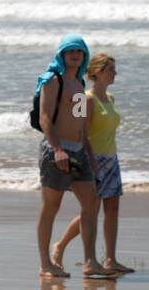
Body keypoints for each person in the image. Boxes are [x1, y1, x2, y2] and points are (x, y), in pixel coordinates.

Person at [34, 35, 114, 279]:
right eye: (70, 51)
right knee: (51, 207)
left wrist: (89, 153)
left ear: (84, 55)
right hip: (55, 150)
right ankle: (45, 264)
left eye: (79, 51)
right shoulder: (53, 81)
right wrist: (58, 149)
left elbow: (80, 124)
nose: (75, 54)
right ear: (62, 54)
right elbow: (45, 118)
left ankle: (90, 262)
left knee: (91, 203)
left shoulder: (79, 84)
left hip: (79, 151)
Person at [52, 53, 134, 274]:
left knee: (112, 209)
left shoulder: (111, 98)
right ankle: (60, 246)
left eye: (115, 70)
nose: (115, 74)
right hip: (91, 159)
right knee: (90, 210)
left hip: (111, 159)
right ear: (98, 72)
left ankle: (111, 259)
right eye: (111, 70)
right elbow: (78, 131)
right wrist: (84, 160)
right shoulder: (84, 98)